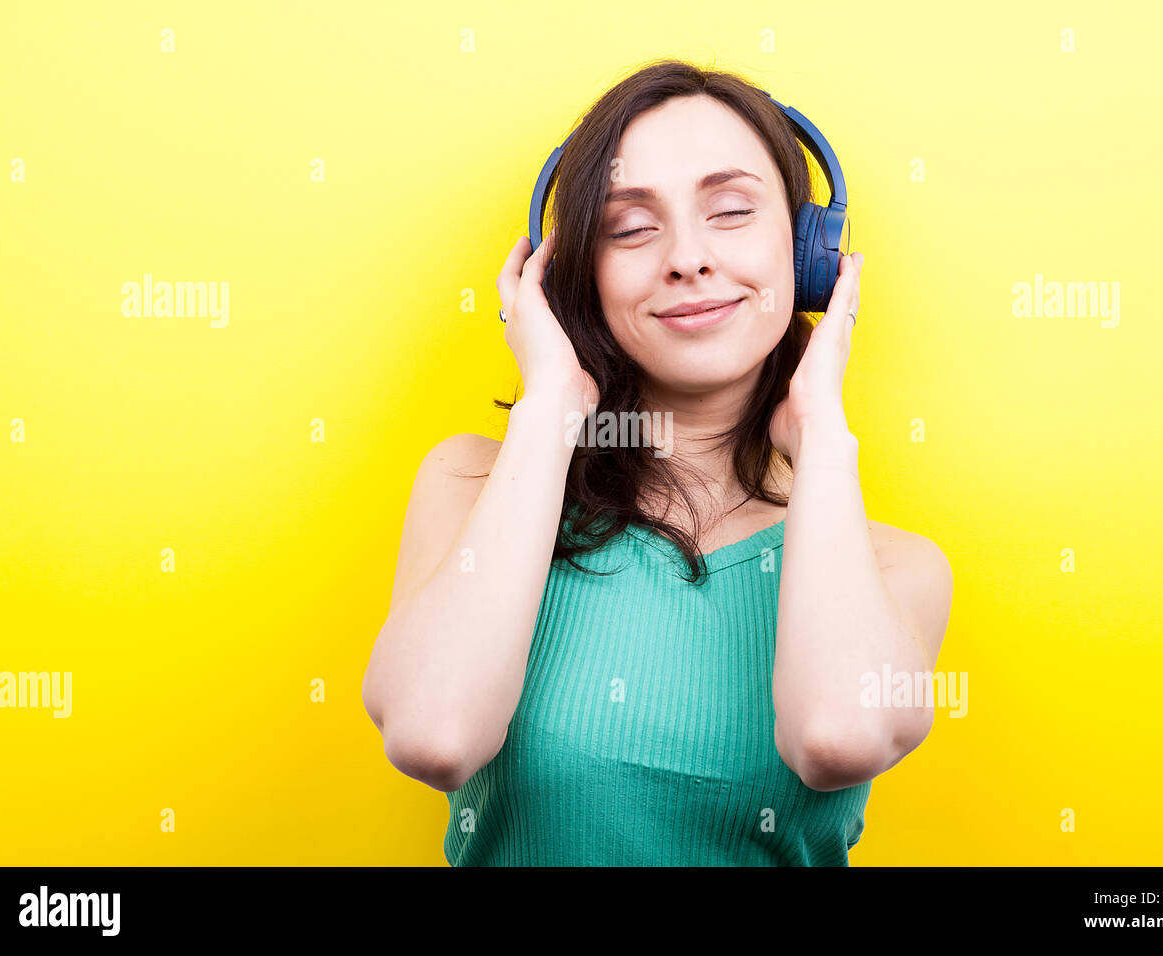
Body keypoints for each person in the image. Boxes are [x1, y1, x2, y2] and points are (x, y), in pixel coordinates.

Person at [362, 59, 953, 866]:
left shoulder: (897, 570)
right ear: (576, 278)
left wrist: (821, 433)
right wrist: (553, 406)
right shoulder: (470, 487)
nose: (687, 258)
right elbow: (434, 734)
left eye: (732, 210)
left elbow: (836, 736)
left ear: (812, 253)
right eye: (631, 228)